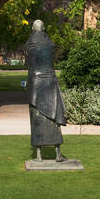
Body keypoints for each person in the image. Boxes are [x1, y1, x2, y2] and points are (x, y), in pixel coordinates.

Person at [24, 19, 68, 161]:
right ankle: (57, 153)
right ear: (43, 28)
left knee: (36, 116)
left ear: (33, 28)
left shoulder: (29, 44)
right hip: (50, 80)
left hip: (36, 81)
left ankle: (39, 154)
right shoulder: (50, 43)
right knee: (53, 114)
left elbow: (28, 64)